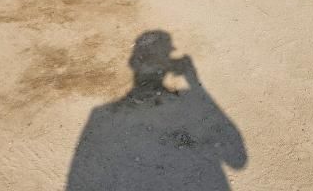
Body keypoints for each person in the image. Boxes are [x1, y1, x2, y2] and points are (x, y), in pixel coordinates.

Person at [66, 30, 247, 190]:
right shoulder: (188, 104)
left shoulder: (103, 116)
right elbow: (237, 159)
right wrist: (195, 84)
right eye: (159, 58)